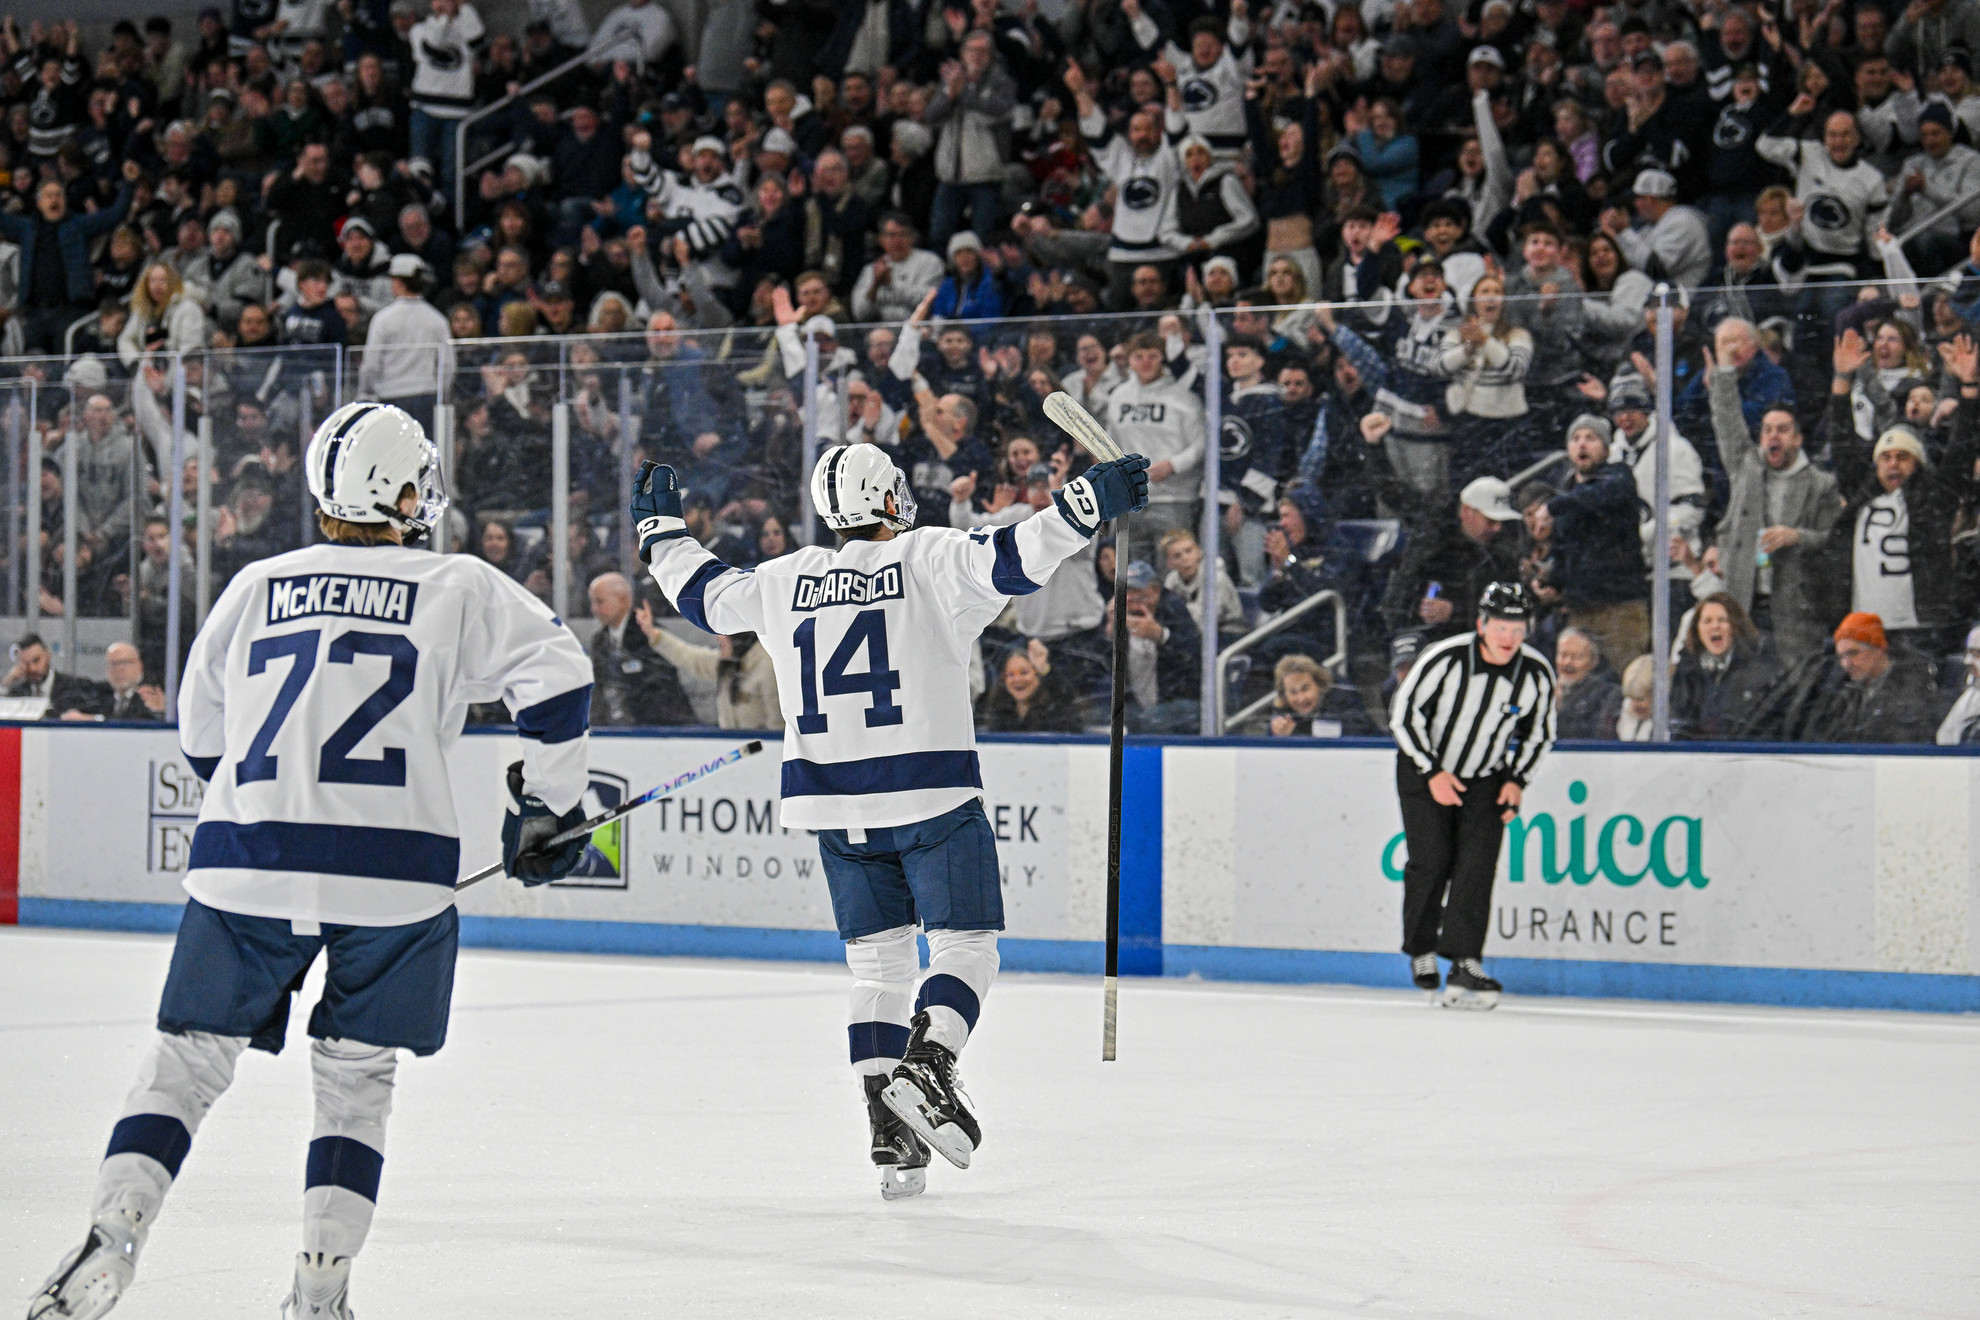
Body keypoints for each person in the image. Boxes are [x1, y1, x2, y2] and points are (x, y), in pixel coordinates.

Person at [28, 402, 594, 1320]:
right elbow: (561, 677)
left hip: (244, 857)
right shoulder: (455, 583)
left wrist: (267, 809)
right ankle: (321, 1284)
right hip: (396, 877)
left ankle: (117, 1226)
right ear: (402, 491)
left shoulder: (257, 584)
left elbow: (200, 728)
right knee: (357, 1081)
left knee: (184, 1062)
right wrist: (549, 805)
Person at [633, 440, 1150, 1199]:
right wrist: (1086, 505)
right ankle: (931, 1064)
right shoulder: (927, 557)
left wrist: (662, 534)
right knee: (967, 945)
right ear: (887, 503)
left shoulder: (786, 577)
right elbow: (1015, 557)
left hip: (833, 802)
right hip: (927, 790)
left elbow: (704, 595)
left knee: (876, 968)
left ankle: (889, 1128)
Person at [1389, 582, 1558, 1008]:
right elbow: (1404, 716)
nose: (1509, 638)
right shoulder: (1445, 659)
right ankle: (1422, 949)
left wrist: (1517, 780)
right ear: (1482, 624)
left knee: (1477, 866)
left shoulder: (1534, 673)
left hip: (1486, 776)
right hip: (1424, 766)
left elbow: (1540, 734)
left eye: (1518, 629)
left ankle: (1465, 959)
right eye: (1502, 627)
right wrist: (1432, 771)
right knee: (1431, 861)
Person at [1804, 612, 1942, 744]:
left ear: (1878, 648)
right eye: (1841, 657)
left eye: (1853, 653)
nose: (1846, 664)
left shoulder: (1911, 690)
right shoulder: (1844, 693)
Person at [357, 255, 454, 436]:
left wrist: (366, 392)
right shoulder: (437, 319)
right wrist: (442, 396)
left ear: (398, 282)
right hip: (427, 396)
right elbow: (447, 366)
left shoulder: (383, 319)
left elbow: (370, 364)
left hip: (391, 396)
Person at [585, 572, 695, 726]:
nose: (594, 609)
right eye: (592, 602)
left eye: (600, 602)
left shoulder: (650, 635)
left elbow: (660, 688)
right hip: (620, 730)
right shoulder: (599, 641)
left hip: (663, 726)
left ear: (623, 600)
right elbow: (599, 690)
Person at [1670, 594, 1779, 740]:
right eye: (1707, 621)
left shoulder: (1759, 669)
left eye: (1723, 620)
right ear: (1697, 630)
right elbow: (1678, 722)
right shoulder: (1686, 671)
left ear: (1736, 626)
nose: (1715, 626)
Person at [975, 639, 1084, 732]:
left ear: (1037, 674)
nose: (1017, 679)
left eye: (1024, 672)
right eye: (1010, 674)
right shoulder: (999, 710)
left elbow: (1066, 697)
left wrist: (1046, 670)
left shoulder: (1057, 708)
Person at [1259, 653, 1375, 738]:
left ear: (1319, 684)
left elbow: (1355, 732)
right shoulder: (1283, 710)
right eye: (1293, 692)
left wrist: (1296, 734)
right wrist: (1277, 733)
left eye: (1305, 689)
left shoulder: (1343, 698)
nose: (1301, 698)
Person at [2, 633, 100, 714]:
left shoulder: (73, 686)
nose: (32, 668)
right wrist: (6, 683)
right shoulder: (17, 692)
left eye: (36, 660)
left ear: (48, 655)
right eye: (26, 663)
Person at [1552, 627, 1622, 739]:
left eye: (1577, 657)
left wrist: (1559, 708)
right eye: (1563, 655)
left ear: (1593, 662)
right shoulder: (1542, 688)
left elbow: (1598, 735)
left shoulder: (1608, 694)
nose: (1567, 662)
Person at [1934, 625, 1980, 744]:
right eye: (1968, 653)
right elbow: (1945, 740)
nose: (1967, 661)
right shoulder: (1972, 695)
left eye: (1977, 654)